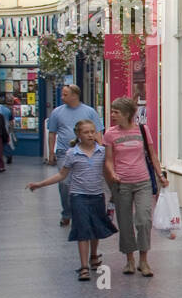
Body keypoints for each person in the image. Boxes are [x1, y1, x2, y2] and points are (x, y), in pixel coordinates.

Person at [27, 120, 117, 281]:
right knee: (83, 229)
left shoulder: (102, 152)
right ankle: (83, 266)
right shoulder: (72, 154)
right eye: (86, 132)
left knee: (96, 228)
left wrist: (114, 191)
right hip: (78, 196)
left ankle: (94, 255)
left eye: (92, 132)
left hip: (97, 196)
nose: (90, 135)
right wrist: (40, 184)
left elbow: (107, 173)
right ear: (78, 135)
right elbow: (62, 175)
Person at [104, 97, 168, 277]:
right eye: (112, 111)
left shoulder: (142, 129)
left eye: (116, 112)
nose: (113, 115)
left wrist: (160, 175)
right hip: (121, 183)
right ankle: (129, 260)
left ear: (127, 114)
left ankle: (144, 260)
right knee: (125, 223)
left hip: (143, 181)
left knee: (143, 220)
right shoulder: (110, 134)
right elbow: (108, 160)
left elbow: (152, 154)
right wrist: (112, 173)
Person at [45, 85, 104, 228]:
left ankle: (81, 211)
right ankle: (67, 213)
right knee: (64, 183)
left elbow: (98, 132)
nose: (61, 97)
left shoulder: (89, 112)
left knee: (83, 183)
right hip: (64, 152)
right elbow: (52, 133)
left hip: (86, 152)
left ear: (75, 96)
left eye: (65, 94)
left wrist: (101, 150)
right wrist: (51, 153)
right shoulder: (57, 112)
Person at [0, 94, 15, 163]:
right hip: (6, 128)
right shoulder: (7, 110)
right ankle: (8, 154)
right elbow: (11, 121)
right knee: (5, 142)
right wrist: (11, 129)